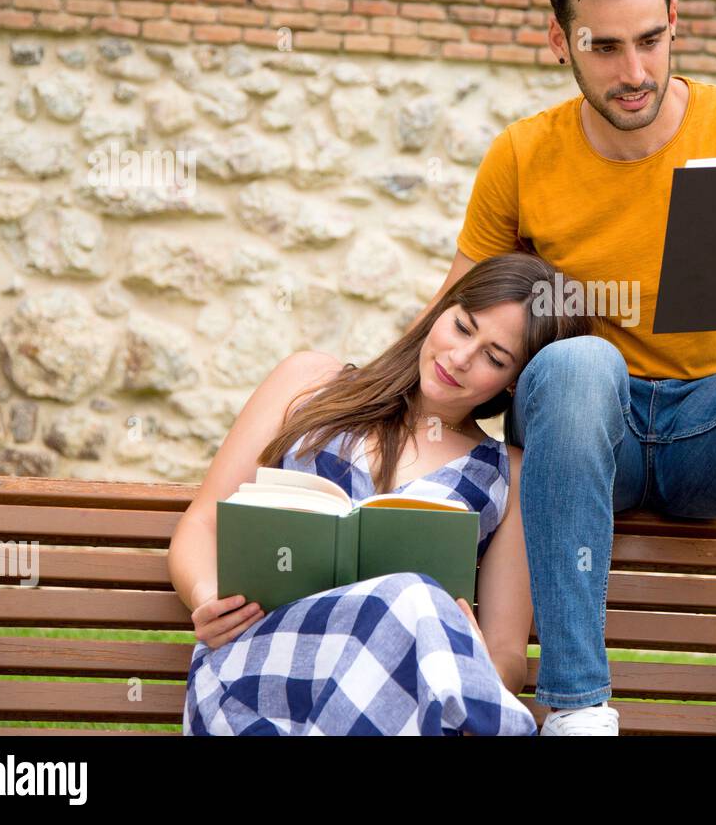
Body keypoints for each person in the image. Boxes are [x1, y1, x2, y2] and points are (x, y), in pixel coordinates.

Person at [412, 0, 716, 736]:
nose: (635, 72)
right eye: (607, 46)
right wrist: (360, 405)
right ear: (559, 40)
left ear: (675, 20)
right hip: (588, 431)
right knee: (581, 362)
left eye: (652, 40)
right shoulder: (521, 157)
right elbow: (453, 320)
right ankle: (578, 709)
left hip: (711, 432)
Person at [168, 252, 595, 735]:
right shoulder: (308, 383)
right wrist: (209, 600)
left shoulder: (509, 475)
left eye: (494, 358)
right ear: (440, 310)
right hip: (260, 666)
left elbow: (505, 652)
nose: (459, 358)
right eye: (461, 326)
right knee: (414, 595)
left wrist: (462, 650)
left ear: (515, 383)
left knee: (415, 603)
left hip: (394, 696)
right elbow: (200, 524)